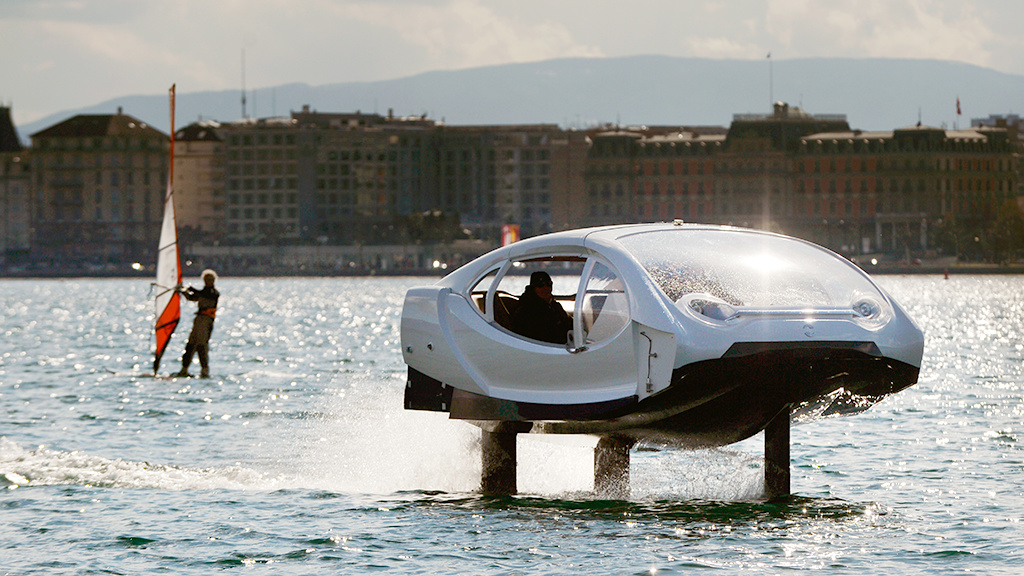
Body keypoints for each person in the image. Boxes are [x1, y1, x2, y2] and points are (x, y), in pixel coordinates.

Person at [176, 269, 220, 378]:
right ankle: (184, 369)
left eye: (210, 279)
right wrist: (182, 292)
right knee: (191, 345)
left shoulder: (213, 293)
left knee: (201, 345)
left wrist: (189, 288)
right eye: (206, 279)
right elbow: (192, 297)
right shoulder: (203, 292)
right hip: (198, 321)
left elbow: (202, 294)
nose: (208, 281)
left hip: (206, 322)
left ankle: (204, 370)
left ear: (214, 280)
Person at [511, 271, 572, 344]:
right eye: (540, 285)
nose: (545, 288)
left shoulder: (554, 305)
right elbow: (544, 334)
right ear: (533, 288)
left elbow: (568, 322)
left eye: (548, 284)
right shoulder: (527, 309)